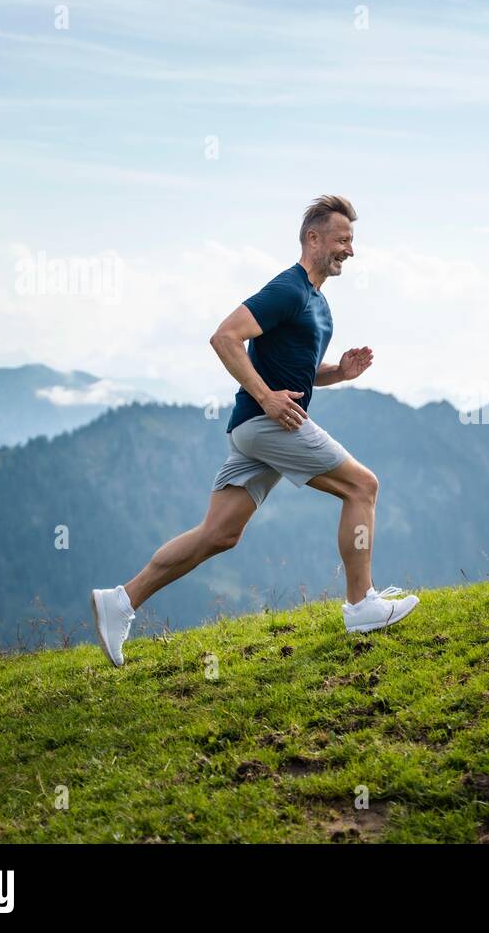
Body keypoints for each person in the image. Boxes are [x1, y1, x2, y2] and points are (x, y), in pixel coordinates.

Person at [90, 194, 418, 667]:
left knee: (218, 534)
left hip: (255, 428)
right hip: (267, 422)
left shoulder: (318, 303)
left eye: (352, 241)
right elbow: (224, 336)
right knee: (362, 486)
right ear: (313, 238)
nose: (350, 250)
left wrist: (338, 373)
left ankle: (120, 602)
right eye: (343, 240)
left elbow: (296, 374)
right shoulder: (287, 288)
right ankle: (362, 604)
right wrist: (266, 397)